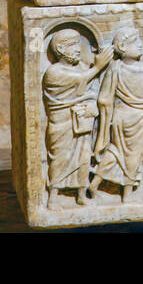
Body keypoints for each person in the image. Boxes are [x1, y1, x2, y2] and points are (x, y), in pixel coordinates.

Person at [88, 25, 143, 201]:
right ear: (121, 47)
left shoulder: (115, 67)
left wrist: (107, 120)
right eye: (135, 41)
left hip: (119, 117)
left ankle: (95, 183)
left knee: (115, 150)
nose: (140, 45)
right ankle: (127, 193)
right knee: (133, 154)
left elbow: (104, 98)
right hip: (136, 116)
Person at [41, 30, 113, 206]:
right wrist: (97, 67)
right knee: (61, 158)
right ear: (60, 49)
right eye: (73, 45)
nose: (79, 50)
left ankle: (81, 195)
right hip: (62, 124)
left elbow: (90, 90)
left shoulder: (81, 67)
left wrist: (91, 106)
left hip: (82, 122)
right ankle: (52, 198)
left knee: (83, 157)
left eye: (79, 44)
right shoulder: (53, 72)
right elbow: (79, 82)